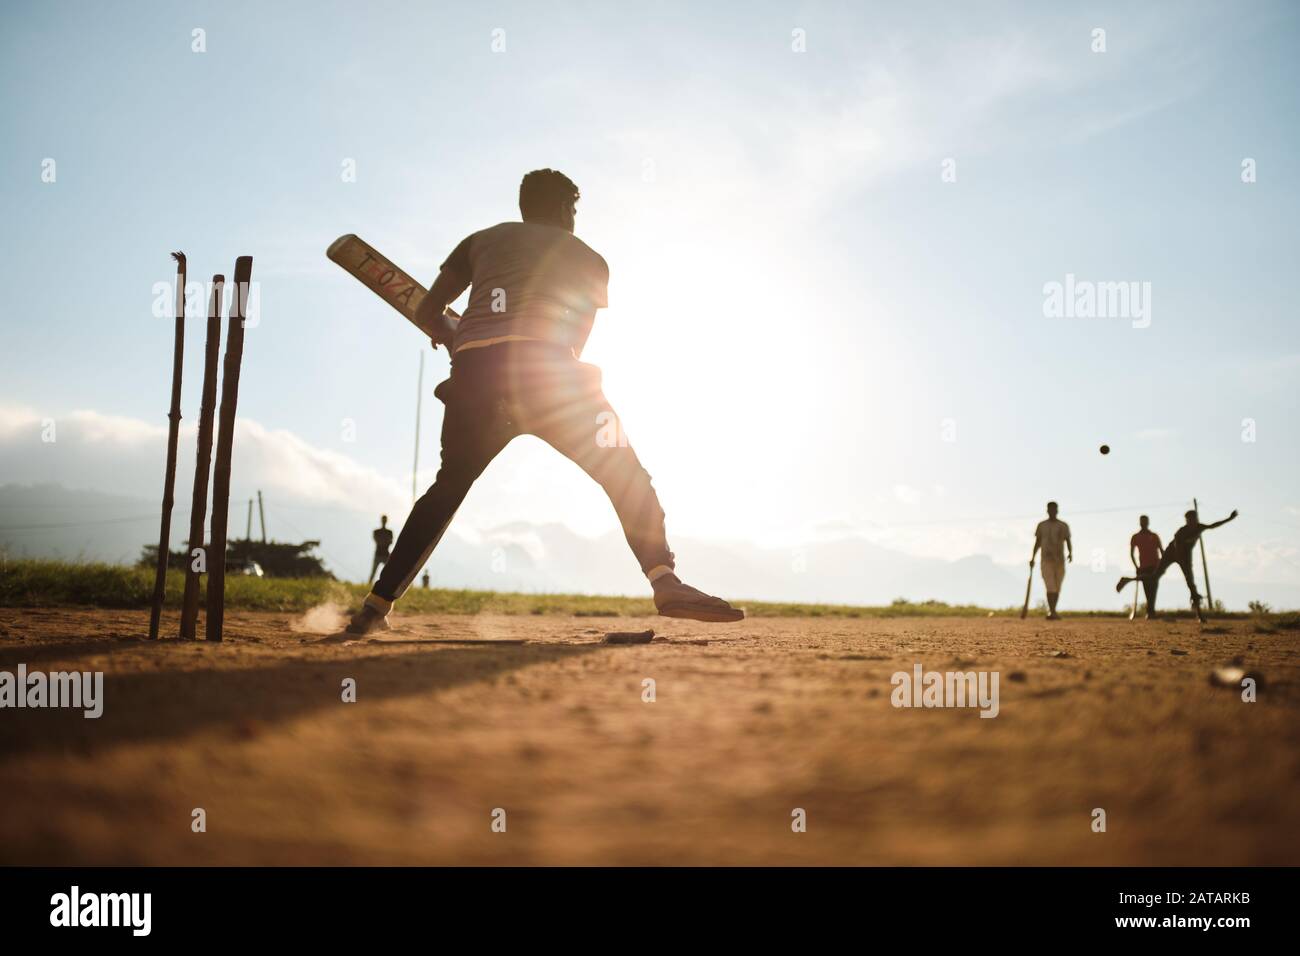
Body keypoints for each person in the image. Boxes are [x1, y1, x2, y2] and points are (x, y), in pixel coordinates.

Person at [348, 169, 743, 634]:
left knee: (449, 486)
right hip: (551, 377)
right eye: (573, 209)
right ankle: (665, 580)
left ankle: (375, 606)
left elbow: (427, 311)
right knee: (626, 475)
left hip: (475, 378)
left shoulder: (479, 241)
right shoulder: (591, 259)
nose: (574, 217)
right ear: (562, 208)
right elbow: (575, 340)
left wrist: (451, 336)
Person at [1117, 508, 1237, 622]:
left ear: (1196, 519)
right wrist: (1182, 564)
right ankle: (1127, 580)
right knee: (1154, 577)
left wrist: (1230, 518)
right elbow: (1177, 547)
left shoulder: (1199, 527)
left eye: (1193, 520)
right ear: (1186, 521)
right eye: (1189, 521)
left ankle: (1200, 615)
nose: (1192, 523)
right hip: (1171, 554)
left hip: (1184, 557)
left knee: (1191, 584)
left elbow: (1213, 525)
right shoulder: (1181, 531)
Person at [1030, 501, 1072, 620]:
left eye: (1054, 509)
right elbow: (1037, 542)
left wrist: (1070, 553)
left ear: (1057, 510)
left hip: (1059, 560)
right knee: (1050, 586)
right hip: (1046, 560)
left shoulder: (1063, 526)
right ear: (1047, 510)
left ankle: (1053, 611)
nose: (1052, 512)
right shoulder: (1042, 525)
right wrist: (1032, 557)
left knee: (1057, 586)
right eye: (1050, 509)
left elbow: (1068, 540)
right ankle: (1052, 611)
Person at [1128, 515, 1163, 618]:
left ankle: (1150, 611)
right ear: (1140, 523)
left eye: (1145, 521)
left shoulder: (1154, 536)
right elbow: (1131, 554)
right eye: (1142, 522)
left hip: (1155, 567)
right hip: (1143, 568)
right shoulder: (1135, 537)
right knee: (1147, 589)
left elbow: (1161, 550)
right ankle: (1150, 611)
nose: (1144, 523)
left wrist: (1162, 564)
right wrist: (1136, 566)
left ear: (1148, 523)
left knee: (1153, 589)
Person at [369, 515, 393, 584]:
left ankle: (389, 584)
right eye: (383, 520)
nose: (384, 521)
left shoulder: (389, 532)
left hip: (385, 554)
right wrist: (385, 542)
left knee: (389, 572)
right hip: (379, 554)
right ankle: (369, 583)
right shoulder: (377, 531)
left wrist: (383, 542)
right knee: (373, 572)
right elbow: (377, 541)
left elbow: (390, 541)